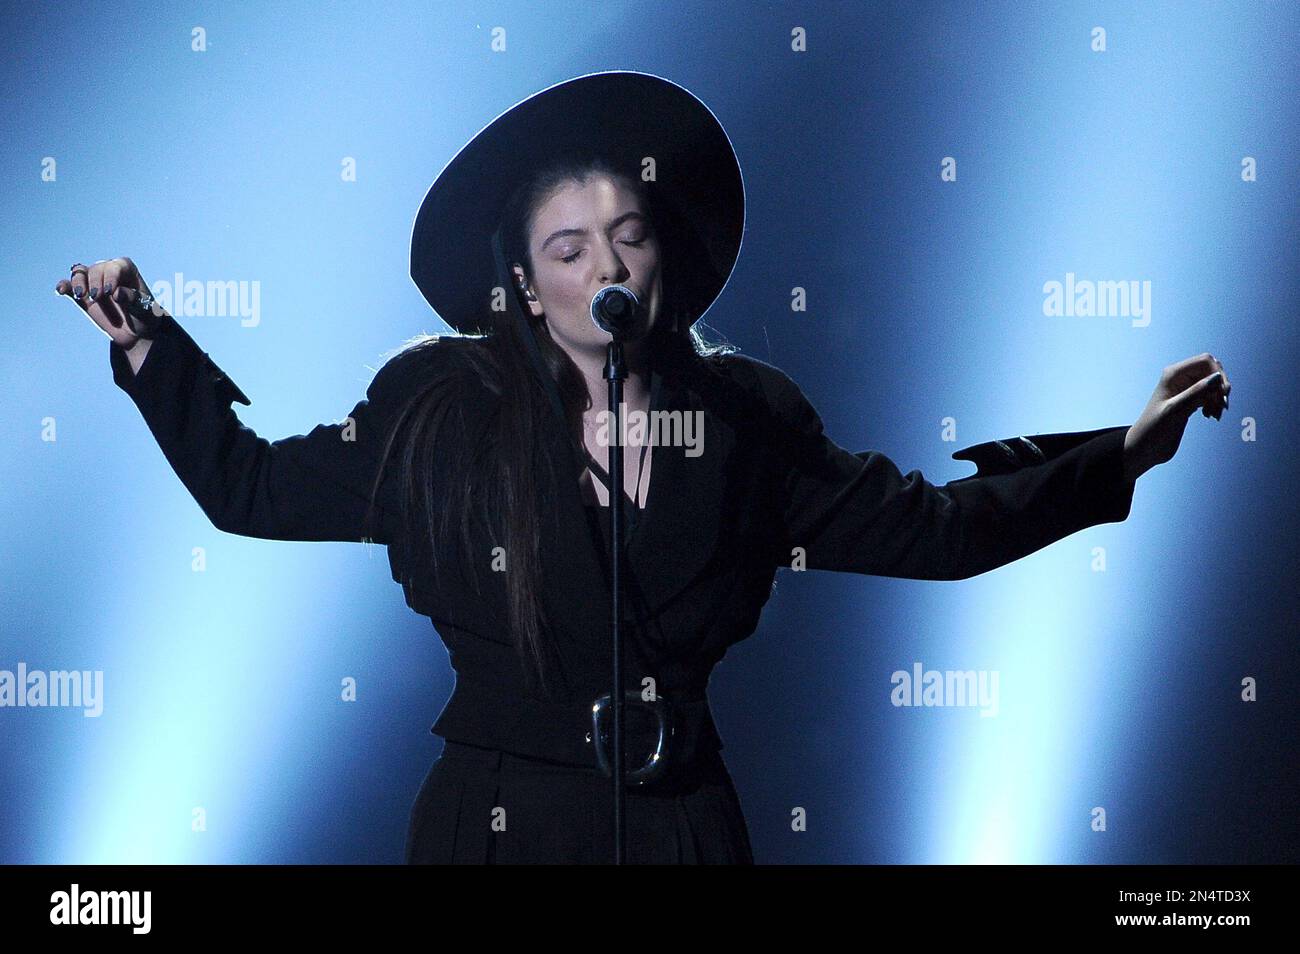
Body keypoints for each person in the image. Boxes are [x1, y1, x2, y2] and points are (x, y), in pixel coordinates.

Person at [57, 71, 1232, 864]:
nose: (604, 263)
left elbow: (932, 531)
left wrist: (1114, 457)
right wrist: (152, 341)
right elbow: (253, 490)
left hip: (680, 823)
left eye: (628, 233)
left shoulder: (747, 420)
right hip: (496, 820)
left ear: (661, 254)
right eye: (568, 247)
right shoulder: (438, 411)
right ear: (524, 282)